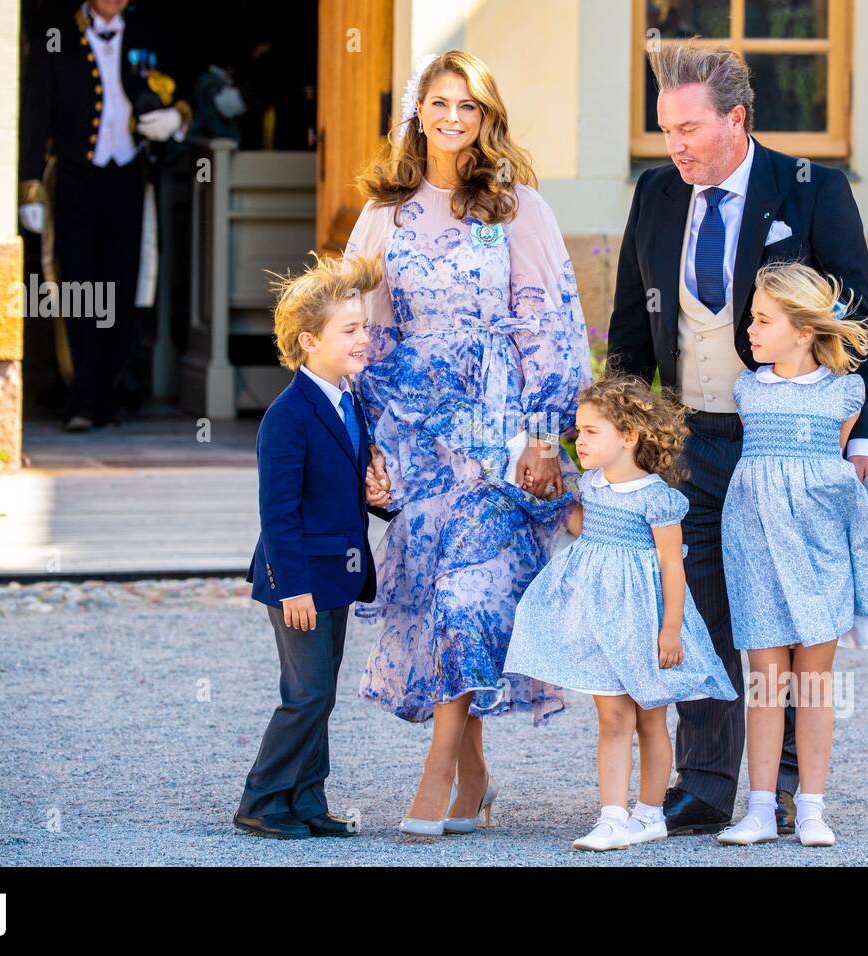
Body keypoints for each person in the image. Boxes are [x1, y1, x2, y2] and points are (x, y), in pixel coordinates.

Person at [606, 42, 868, 837]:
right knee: (699, 611)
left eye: (689, 128)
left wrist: (866, 442)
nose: (674, 144)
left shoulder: (811, 190)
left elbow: (861, 323)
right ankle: (706, 783)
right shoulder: (656, 193)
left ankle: (783, 791)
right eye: (665, 128)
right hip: (684, 440)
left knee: (786, 618)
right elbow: (631, 331)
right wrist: (625, 443)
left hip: (788, 444)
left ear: (736, 120)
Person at [345, 51, 593, 837]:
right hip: (415, 436)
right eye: (440, 102)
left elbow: (550, 325)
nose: (453, 117)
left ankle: (438, 773)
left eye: (469, 106)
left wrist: (547, 437)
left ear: (487, 118)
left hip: (500, 435)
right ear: (418, 111)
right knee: (437, 601)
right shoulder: (384, 212)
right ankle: (476, 778)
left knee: (469, 598)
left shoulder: (518, 208)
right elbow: (357, 332)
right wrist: (367, 448)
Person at [715, 262, 868, 849]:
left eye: (763, 321)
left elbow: (831, 473)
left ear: (805, 330)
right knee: (765, 678)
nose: (751, 331)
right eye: (751, 319)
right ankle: (760, 807)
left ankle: (810, 806)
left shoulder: (845, 391)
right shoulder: (748, 388)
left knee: (812, 680)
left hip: (818, 545)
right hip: (755, 542)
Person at [504, 375, 737, 851]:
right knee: (612, 716)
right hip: (601, 621)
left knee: (651, 716)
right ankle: (612, 816)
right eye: (578, 431)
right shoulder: (590, 485)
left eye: (591, 432)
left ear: (628, 436)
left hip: (645, 621)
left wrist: (670, 630)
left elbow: (673, 565)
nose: (578, 440)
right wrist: (549, 504)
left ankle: (649, 814)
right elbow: (584, 529)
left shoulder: (658, 498)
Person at [233, 253, 396, 840]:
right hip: (298, 578)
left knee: (320, 693)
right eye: (349, 331)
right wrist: (292, 584)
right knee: (306, 693)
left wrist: (379, 497)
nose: (363, 338)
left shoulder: (348, 402)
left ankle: (306, 798)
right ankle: (262, 799)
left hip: (337, 575)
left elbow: (341, 487)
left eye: (364, 327)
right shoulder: (288, 416)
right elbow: (277, 513)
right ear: (309, 342)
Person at [18, 0, 192, 431]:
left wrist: (178, 119)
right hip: (76, 177)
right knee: (78, 284)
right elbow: (34, 115)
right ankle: (78, 396)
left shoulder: (151, 32)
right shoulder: (56, 35)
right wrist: (30, 189)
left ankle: (109, 396)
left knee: (121, 283)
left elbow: (182, 91)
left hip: (128, 175)